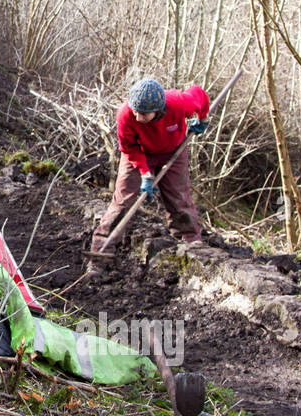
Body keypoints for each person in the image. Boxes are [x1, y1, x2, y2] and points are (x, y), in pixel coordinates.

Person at [89, 77, 210, 271]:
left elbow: (200, 95)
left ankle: (190, 240)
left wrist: (203, 118)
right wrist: (145, 173)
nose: (137, 117)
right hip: (138, 151)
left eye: (143, 114)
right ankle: (102, 249)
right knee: (123, 199)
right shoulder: (125, 114)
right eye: (135, 111)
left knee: (179, 196)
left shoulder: (178, 104)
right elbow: (128, 147)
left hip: (173, 150)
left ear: (158, 110)